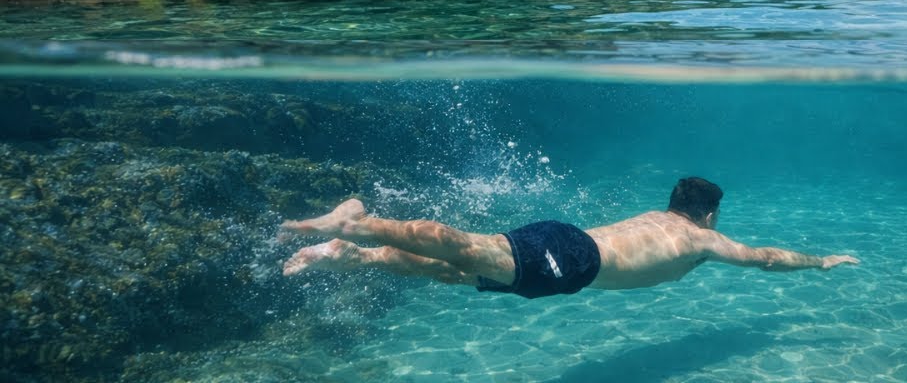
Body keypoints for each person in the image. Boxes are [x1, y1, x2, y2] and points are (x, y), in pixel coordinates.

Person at [280, 177, 859, 298]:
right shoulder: (704, 241)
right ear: (706, 215)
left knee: (456, 270)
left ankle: (352, 255)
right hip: (575, 259)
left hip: (570, 247)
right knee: (465, 249)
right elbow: (763, 259)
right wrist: (819, 262)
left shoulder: (653, 219)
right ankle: (357, 222)